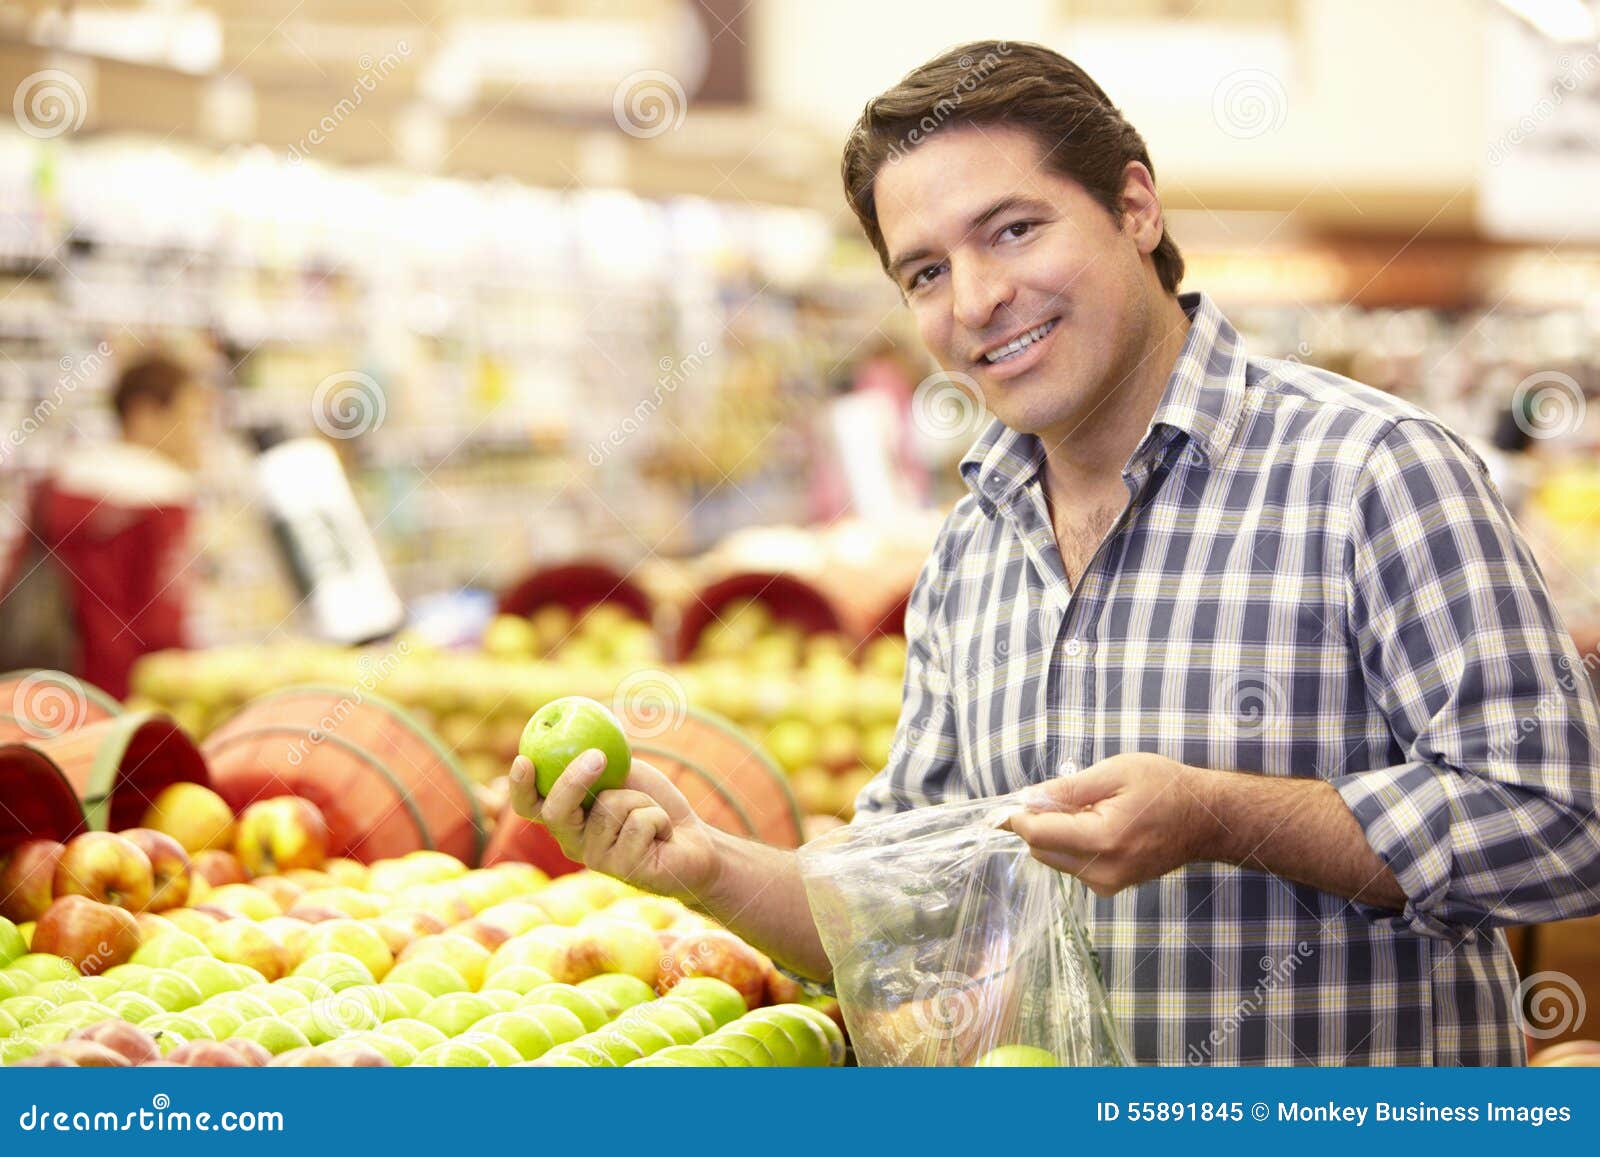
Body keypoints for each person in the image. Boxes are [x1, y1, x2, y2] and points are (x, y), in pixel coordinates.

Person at [510, 42, 1600, 1066]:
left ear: (1133, 206)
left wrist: (1217, 813)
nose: (977, 300)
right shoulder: (970, 548)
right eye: (926, 272)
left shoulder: (1374, 472)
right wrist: (705, 864)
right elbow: (909, 918)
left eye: (1014, 230)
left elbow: (1563, 821)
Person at [11, 352, 209, 698]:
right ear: (146, 415)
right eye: (191, 417)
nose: (200, 436)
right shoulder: (165, 497)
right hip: (127, 694)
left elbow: (15, 577)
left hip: (47, 682)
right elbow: (163, 624)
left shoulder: (58, 484)